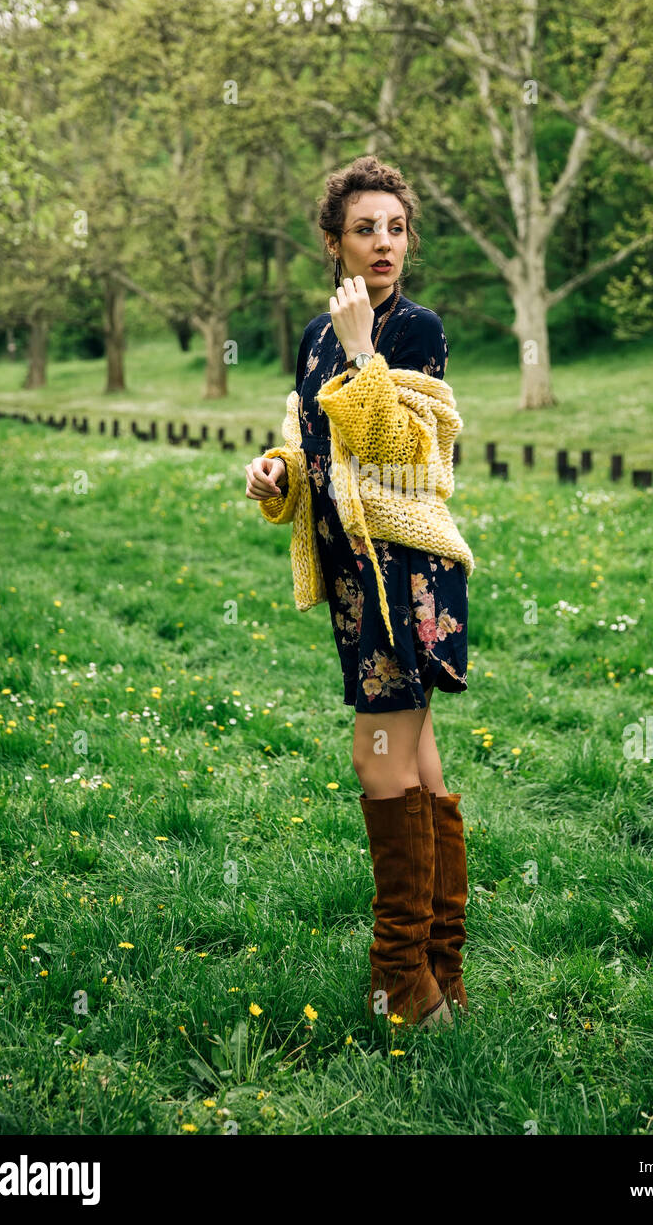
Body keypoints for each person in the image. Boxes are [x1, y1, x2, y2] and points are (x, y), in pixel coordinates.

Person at [245, 155, 474, 1030]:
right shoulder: (314, 332)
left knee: (377, 760)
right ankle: (440, 976)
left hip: (406, 572)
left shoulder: (414, 330)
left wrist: (362, 351)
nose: (385, 243)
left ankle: (401, 985)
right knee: (414, 764)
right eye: (366, 229)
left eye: (396, 228)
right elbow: (318, 452)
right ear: (334, 242)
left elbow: (399, 454)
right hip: (352, 572)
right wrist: (279, 477)